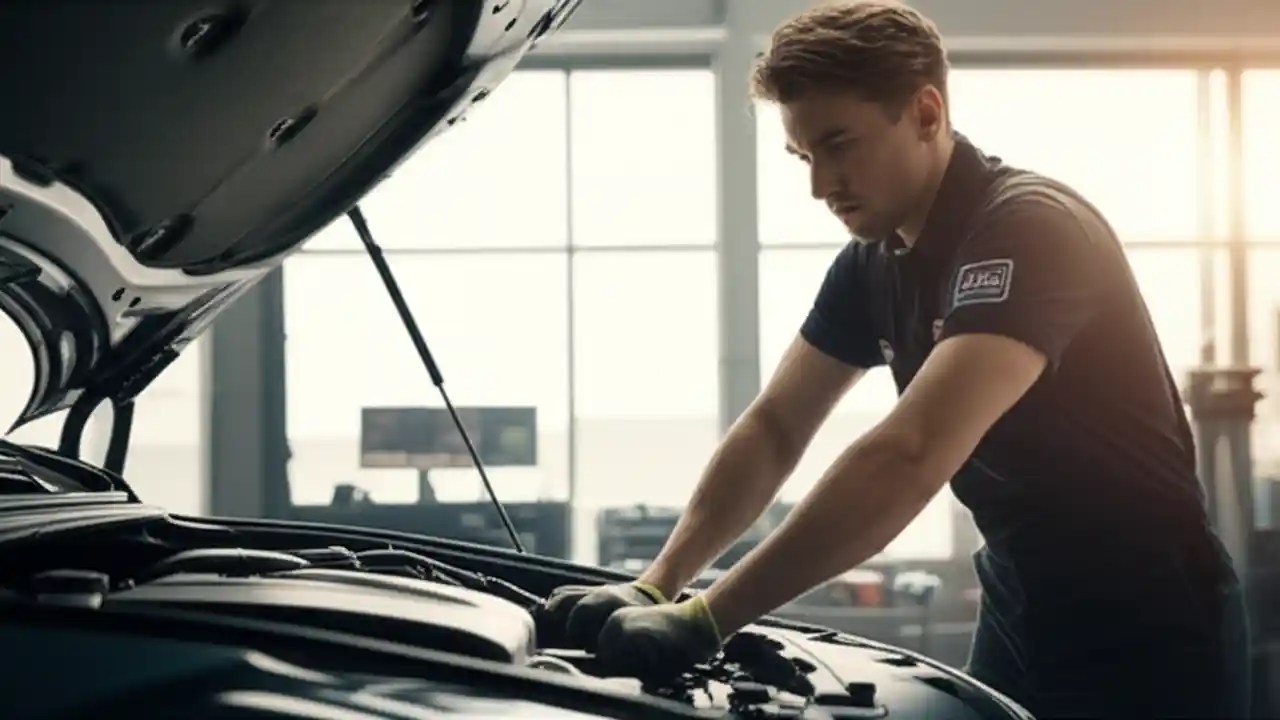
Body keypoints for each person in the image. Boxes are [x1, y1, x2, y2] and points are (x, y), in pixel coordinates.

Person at [541, 1, 1252, 716]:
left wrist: (709, 617)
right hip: (1019, 595)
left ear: (926, 112)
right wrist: (658, 583)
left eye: (840, 144)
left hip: (1146, 619)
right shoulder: (871, 264)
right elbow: (778, 425)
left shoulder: (1030, 228)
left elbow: (911, 453)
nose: (821, 185)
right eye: (804, 156)